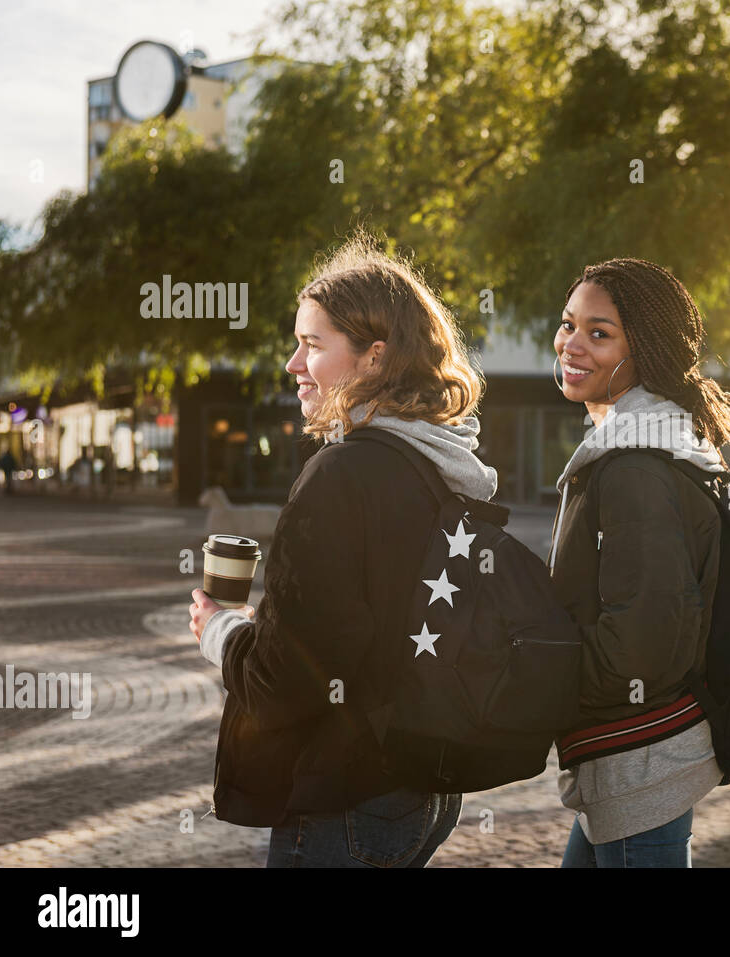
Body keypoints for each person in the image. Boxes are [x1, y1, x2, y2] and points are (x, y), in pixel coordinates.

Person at [187, 233, 494, 867]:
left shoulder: (341, 474)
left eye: (312, 345)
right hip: (422, 787)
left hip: (346, 794)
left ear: (374, 358)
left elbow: (287, 678)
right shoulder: (439, 466)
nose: (293, 365)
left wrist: (220, 631)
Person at [548, 257, 730, 867]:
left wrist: (550, 685)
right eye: (568, 325)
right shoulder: (641, 446)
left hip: (640, 757)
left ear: (646, 352)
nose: (571, 345)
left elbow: (645, 640)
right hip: (625, 755)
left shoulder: (636, 465)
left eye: (599, 333)